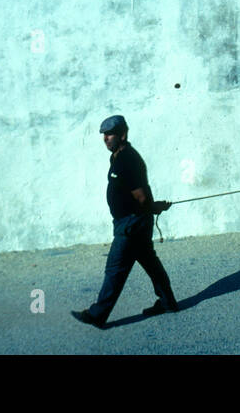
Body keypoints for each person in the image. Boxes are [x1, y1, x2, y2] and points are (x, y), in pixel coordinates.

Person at [71, 115, 177, 329]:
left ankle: (97, 314)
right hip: (132, 221)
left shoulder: (128, 159)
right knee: (150, 262)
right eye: (104, 135)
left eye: (109, 134)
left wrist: (152, 206)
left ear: (123, 134)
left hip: (130, 224)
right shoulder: (118, 156)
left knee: (115, 269)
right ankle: (168, 302)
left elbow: (141, 197)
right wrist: (152, 208)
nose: (105, 139)